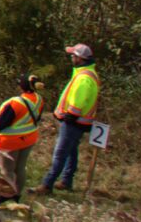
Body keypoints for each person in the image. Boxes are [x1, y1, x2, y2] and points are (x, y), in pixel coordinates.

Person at [38, 44, 100, 196]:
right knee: (71, 151)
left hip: (74, 121)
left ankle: (47, 184)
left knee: (60, 152)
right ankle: (66, 181)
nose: (71, 57)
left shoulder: (85, 77)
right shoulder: (85, 74)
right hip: (78, 122)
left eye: (73, 55)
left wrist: (71, 115)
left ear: (80, 58)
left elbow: (80, 99)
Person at [0, 76, 44, 204]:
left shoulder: (16, 103)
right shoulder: (39, 99)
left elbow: (1, 124)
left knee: (7, 170)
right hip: (29, 138)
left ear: (22, 87)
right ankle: (17, 195)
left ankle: (5, 196)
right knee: (20, 168)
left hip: (10, 141)